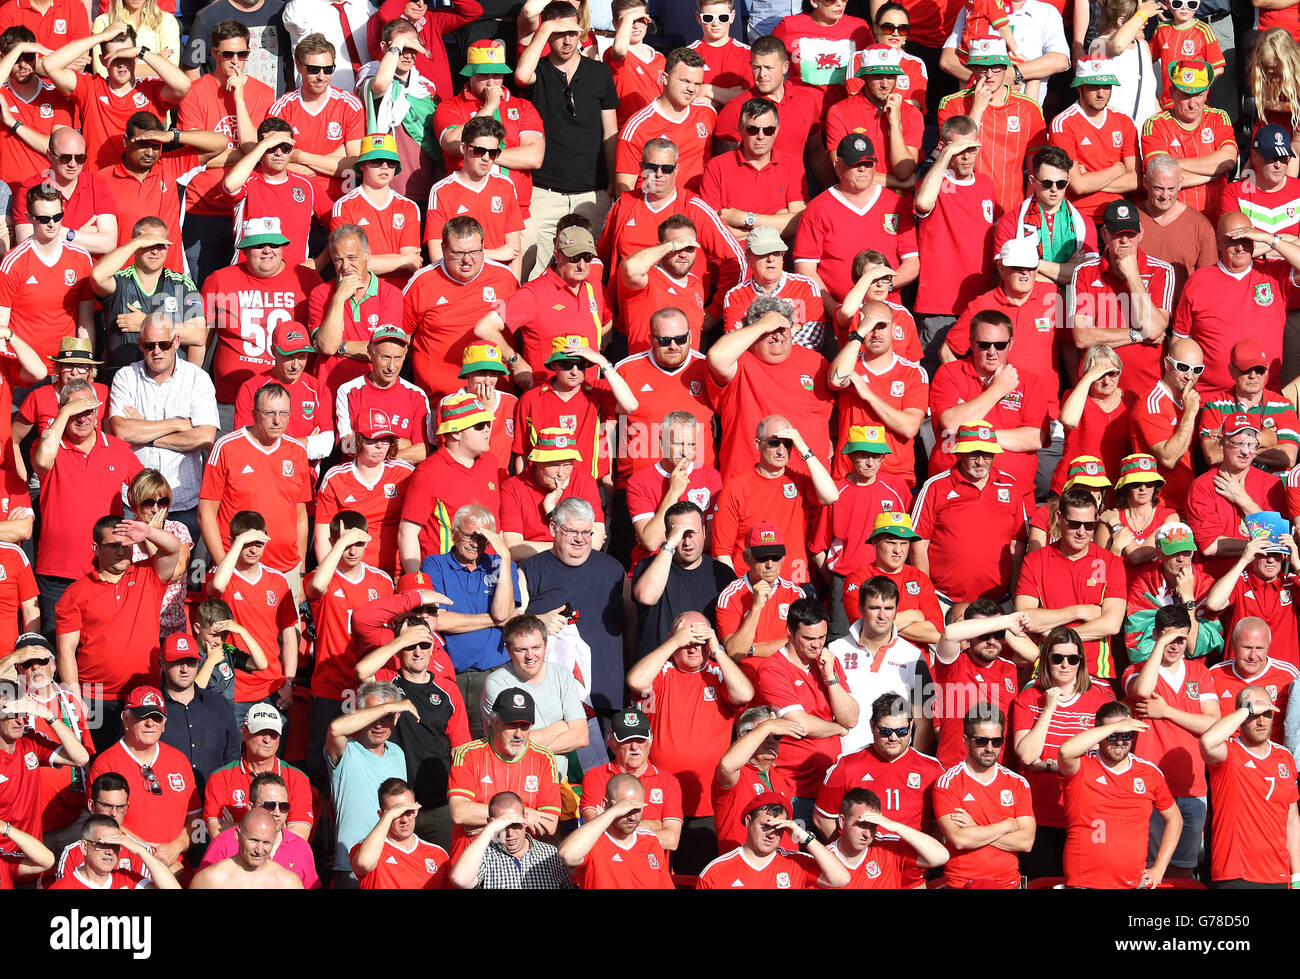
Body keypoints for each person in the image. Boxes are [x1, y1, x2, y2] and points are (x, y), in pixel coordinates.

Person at [625, 614, 751, 866]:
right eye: (688, 639)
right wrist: (674, 643)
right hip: (658, 801)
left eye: (700, 639)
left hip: (706, 802)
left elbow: (745, 693)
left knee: (696, 874)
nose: (694, 646)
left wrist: (716, 647)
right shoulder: (662, 671)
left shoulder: (718, 672)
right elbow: (636, 681)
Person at [55, 515, 180, 751]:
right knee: (95, 763)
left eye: (127, 545)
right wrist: (73, 695)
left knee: (141, 761)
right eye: (114, 545)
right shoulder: (75, 592)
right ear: (96, 547)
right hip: (94, 697)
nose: (122, 552)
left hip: (143, 694)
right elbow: (66, 649)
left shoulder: (148, 574)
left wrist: (147, 532)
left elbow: (174, 549)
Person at [514, 1, 619, 280]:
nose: (567, 40)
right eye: (560, 33)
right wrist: (547, 26)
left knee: (590, 274)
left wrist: (612, 183)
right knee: (534, 274)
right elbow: (522, 76)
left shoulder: (599, 72)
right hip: (544, 192)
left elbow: (610, 133)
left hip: (591, 192)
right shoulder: (539, 70)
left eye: (572, 32)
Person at [598, 137, 745, 318]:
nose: (659, 174)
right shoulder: (624, 206)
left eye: (667, 169)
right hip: (628, 324)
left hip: (680, 331)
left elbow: (736, 261)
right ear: (642, 168)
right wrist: (605, 316)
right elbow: (600, 262)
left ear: (676, 170)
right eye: (652, 167)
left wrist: (711, 315)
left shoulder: (694, 208)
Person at [1122, 604, 1219, 878]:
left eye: (1181, 638)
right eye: (1169, 638)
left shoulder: (1200, 673)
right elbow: (1142, 690)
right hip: (1148, 788)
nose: (1176, 645)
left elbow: (1213, 722)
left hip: (1191, 786)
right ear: (1155, 634)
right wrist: (1160, 643)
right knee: (1148, 869)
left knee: (1184, 871)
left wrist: (1166, 712)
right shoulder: (1135, 669)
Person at [177, 19, 277, 285]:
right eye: (228, 54)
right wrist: (250, 157)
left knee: (241, 295)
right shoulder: (195, 93)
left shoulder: (263, 94)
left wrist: (239, 99)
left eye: (242, 54)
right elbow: (196, 156)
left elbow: (262, 153)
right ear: (214, 53)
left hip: (247, 209)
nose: (236, 61)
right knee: (201, 294)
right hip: (202, 209)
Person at [1009, 627, 1115, 877]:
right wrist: (1048, 709)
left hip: (1084, 815)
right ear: (1046, 661)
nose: (1065, 665)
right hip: (1038, 814)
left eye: (1073, 658)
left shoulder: (1100, 702)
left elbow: (1100, 761)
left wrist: (1048, 765)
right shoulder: (1028, 698)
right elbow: (1026, 755)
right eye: (1057, 658)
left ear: (1081, 662)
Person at [519, 497, 626, 730]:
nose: (580, 539)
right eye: (572, 532)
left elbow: (632, 625)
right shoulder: (530, 569)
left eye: (587, 532)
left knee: (604, 764)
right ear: (553, 529)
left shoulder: (614, 569)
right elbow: (510, 626)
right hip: (551, 696)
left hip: (604, 692)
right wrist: (537, 622)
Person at [814, 693, 943, 887]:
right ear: (872, 726)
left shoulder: (932, 769)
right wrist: (853, 855)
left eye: (901, 731)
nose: (893, 737)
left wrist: (918, 859)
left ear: (911, 726)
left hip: (913, 879)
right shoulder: (847, 766)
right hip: (861, 879)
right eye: (885, 731)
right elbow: (822, 819)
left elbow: (938, 826)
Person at [107, 313, 218, 535]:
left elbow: (205, 437)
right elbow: (121, 431)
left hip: (183, 500)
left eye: (164, 344)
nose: (157, 351)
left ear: (176, 342)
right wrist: (178, 423)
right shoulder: (126, 376)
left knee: (182, 570)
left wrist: (145, 432)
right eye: (150, 345)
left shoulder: (197, 378)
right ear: (140, 344)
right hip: (136, 502)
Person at [943, 239, 1063, 440]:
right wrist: (974, 395)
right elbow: (948, 351)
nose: (1025, 272)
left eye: (1031, 267)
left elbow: (1068, 349)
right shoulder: (982, 304)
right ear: (1001, 267)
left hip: (1047, 414)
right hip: (998, 415)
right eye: (1017, 267)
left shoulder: (1053, 296)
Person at [200, 217, 319, 413]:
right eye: (258, 245)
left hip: (291, 399)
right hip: (232, 398)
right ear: (244, 250)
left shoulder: (307, 279)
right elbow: (201, 340)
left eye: (274, 244)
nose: (267, 250)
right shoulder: (219, 280)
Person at [754, 599, 857, 824]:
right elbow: (801, 725)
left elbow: (851, 717)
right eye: (809, 638)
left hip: (829, 786)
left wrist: (830, 677)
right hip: (792, 789)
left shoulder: (828, 662)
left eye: (822, 638)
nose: (817, 645)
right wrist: (837, 728)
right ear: (790, 632)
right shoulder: (772, 670)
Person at [1057, 700, 1181, 888]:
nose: (1120, 741)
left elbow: (1175, 820)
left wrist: (1159, 867)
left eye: (1127, 734)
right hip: (1084, 883)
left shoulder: (1149, 773)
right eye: (1113, 735)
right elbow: (1065, 751)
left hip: (1131, 883)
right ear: (1100, 733)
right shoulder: (1082, 766)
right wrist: (1116, 726)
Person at [707, 299, 834, 481]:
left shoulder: (816, 362)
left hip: (807, 485)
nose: (778, 336)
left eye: (783, 328)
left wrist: (831, 440)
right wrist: (762, 324)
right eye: (769, 331)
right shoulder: (739, 362)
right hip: (750, 485)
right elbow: (716, 356)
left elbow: (834, 407)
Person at [199, 383, 313, 585]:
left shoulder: (297, 452)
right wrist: (224, 564)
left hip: (287, 570)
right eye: (269, 413)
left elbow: (301, 517)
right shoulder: (227, 447)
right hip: (238, 568)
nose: (277, 421)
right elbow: (206, 513)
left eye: (284, 413)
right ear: (254, 414)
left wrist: (301, 571)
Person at [433, 39, 544, 245]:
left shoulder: (523, 106)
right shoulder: (450, 107)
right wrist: (489, 107)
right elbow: (451, 144)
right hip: (465, 211)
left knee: (518, 273)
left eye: (497, 76)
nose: (492, 83)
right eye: (484, 76)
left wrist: (484, 154)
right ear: (470, 75)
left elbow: (534, 157)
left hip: (516, 213)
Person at [1175, 214, 1300, 396]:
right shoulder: (1198, 282)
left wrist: (1268, 238)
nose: (1240, 247)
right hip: (1213, 400)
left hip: (1266, 397)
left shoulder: (1272, 274)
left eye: (1246, 239)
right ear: (1218, 243)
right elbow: (1180, 339)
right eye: (1232, 241)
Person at [42, 21, 189, 171]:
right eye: (115, 57)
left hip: (141, 185)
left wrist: (142, 51)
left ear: (135, 57)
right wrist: (100, 37)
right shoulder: (91, 87)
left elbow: (183, 85)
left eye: (127, 55)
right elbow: (49, 65)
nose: (121, 63)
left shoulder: (150, 90)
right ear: (102, 59)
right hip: (97, 185)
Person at [911, 115, 998, 367]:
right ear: (944, 147)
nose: (967, 156)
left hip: (980, 301)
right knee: (936, 378)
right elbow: (923, 203)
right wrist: (945, 155)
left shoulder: (986, 185)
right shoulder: (933, 184)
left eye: (972, 148)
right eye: (959, 150)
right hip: (941, 304)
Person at [792, 133, 918, 308]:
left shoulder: (896, 204)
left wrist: (883, 287)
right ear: (838, 165)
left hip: (888, 309)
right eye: (855, 164)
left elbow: (912, 262)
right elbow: (805, 270)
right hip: (836, 311)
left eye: (867, 163)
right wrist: (836, 312)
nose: (862, 169)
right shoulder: (817, 209)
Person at [711, 415, 838, 588]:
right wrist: (739, 591)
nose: (781, 450)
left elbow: (831, 496)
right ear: (758, 444)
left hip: (796, 585)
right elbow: (722, 553)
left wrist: (803, 447)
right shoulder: (735, 488)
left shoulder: (800, 480)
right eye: (774, 443)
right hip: (753, 588)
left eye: (787, 443)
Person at [474, 225, 613, 382]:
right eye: (574, 258)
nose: (582, 265)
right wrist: (516, 362)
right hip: (545, 396)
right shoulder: (533, 293)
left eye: (587, 257)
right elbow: (484, 327)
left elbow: (607, 322)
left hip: (589, 396)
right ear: (557, 255)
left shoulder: (594, 287)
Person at [95, 112, 228, 275]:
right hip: (121, 281)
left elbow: (220, 143)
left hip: (169, 281)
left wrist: (172, 135)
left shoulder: (172, 167)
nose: (150, 153)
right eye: (143, 144)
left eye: (156, 145)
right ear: (125, 141)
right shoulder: (101, 180)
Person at [1015, 486, 1128, 678]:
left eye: (1089, 525)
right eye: (1074, 524)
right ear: (1059, 519)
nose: (1082, 532)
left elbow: (1111, 624)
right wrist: (1079, 611)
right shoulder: (1035, 561)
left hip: (1094, 672)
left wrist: (1053, 635)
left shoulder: (1111, 563)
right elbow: (1025, 618)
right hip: (1046, 669)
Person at [403, 217, 521, 403]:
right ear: (443, 249)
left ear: (483, 246)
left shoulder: (505, 278)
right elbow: (404, 339)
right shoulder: (422, 282)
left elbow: (520, 334)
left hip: (496, 401)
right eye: (458, 253)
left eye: (474, 251)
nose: (467, 260)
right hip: (439, 402)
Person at [928, 310, 1048, 492]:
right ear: (971, 343)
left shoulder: (1029, 381)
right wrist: (998, 389)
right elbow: (951, 423)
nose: (992, 352)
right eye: (984, 345)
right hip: (953, 491)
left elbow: (1035, 438)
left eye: (1000, 345)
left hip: (1013, 494)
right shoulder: (950, 373)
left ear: (1011, 344)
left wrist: (974, 436)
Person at [911, 421, 1030, 604]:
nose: (981, 461)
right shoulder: (935, 486)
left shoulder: (1010, 486)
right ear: (959, 453)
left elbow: (1017, 544)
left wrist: (1013, 594)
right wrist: (926, 596)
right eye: (974, 454)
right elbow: (918, 544)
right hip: (943, 600)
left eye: (987, 455)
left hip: (999, 602)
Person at [85, 686, 201, 873]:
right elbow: (103, 825)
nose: (150, 723)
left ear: (164, 724)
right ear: (125, 719)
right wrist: (152, 858)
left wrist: (176, 848)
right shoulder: (105, 764)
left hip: (178, 870)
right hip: (127, 870)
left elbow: (199, 823)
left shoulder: (180, 760)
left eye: (156, 717)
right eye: (142, 716)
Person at [1069, 199, 1175, 400]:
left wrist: (1133, 275)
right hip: (1098, 392)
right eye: (1118, 234)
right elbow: (1082, 336)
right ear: (1105, 235)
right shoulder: (1084, 272)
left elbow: (1153, 328)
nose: (1125, 240)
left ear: (1141, 233)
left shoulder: (1162, 271)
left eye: (1130, 234)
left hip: (1147, 393)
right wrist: (1138, 335)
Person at [205, 511, 300, 730]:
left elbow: (289, 634)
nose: (253, 549)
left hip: (272, 687)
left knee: (270, 755)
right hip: (231, 687)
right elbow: (217, 587)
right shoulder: (220, 575)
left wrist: (288, 682)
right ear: (232, 541)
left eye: (259, 543)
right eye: (247, 543)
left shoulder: (277, 580)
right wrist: (238, 544)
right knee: (232, 759)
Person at [1201, 685, 1300, 888]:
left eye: (1267, 713)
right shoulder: (1228, 752)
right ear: (1239, 715)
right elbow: (1207, 742)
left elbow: (1291, 821)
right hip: (1236, 874)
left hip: (1278, 875)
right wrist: (1247, 709)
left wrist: (1297, 875)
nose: (1261, 721)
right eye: (1254, 714)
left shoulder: (1285, 757)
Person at [937, 38, 1049, 213]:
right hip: (962, 207)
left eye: (996, 67)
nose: (989, 74)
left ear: (1006, 68)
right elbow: (953, 155)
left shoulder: (1029, 108)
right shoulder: (951, 104)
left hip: (1009, 208)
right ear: (972, 69)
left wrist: (1028, 213)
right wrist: (977, 109)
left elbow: (1035, 171)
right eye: (982, 67)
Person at [510, 335, 639, 485]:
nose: (574, 371)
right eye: (566, 364)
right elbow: (522, 453)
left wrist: (603, 362)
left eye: (581, 364)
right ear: (554, 365)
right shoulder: (531, 399)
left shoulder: (598, 392)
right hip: (544, 485)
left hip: (589, 486)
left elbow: (631, 405)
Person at [826, 301, 927, 490]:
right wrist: (858, 334)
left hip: (895, 476)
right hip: (849, 474)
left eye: (882, 326)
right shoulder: (850, 364)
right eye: (870, 327)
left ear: (894, 329)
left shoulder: (913, 372)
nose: (876, 333)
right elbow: (835, 380)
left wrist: (869, 395)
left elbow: (909, 427)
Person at [932, 704, 1036, 889]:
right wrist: (1007, 825)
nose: (989, 748)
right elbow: (960, 840)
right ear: (965, 740)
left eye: (996, 742)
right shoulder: (947, 782)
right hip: (961, 885)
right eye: (981, 741)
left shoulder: (1018, 783)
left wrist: (976, 828)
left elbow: (1026, 842)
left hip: (1008, 885)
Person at [447, 688, 562, 853]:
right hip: (473, 855)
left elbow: (549, 824)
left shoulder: (544, 759)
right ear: (493, 722)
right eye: (511, 725)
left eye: (524, 726)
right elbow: (459, 812)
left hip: (522, 859)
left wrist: (485, 824)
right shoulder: (468, 753)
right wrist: (525, 815)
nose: (518, 733)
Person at [827, 575, 932, 754]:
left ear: (897, 610)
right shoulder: (835, 650)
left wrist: (915, 762)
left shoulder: (914, 657)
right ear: (860, 608)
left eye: (889, 608)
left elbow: (924, 721)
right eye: (875, 608)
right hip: (845, 758)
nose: (882, 615)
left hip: (895, 763)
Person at [266, 33, 365, 218]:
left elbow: (356, 167)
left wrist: (300, 156)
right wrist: (335, 158)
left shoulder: (349, 104)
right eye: (313, 69)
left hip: (340, 207)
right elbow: (274, 168)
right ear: (299, 66)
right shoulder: (281, 108)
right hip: (293, 206)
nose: (321, 76)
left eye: (328, 69)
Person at [0, 186, 93, 376]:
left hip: (65, 370)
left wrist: (86, 367)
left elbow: (85, 323)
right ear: (28, 217)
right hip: (22, 371)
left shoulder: (81, 258)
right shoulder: (13, 262)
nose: (51, 223)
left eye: (57, 217)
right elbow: (1, 328)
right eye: (43, 219)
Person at [480, 614, 587, 780]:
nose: (530, 656)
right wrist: (559, 727)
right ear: (508, 650)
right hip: (513, 781)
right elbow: (506, 742)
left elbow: (581, 736)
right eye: (521, 650)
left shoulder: (562, 675)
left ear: (546, 644)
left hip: (556, 783)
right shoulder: (496, 683)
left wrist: (528, 746)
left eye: (536, 647)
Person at [326, 680, 410, 888]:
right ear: (359, 713)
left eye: (387, 716)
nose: (379, 724)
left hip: (392, 862)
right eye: (373, 714)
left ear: (397, 718)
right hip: (352, 867)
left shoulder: (398, 753)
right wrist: (390, 707)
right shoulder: (346, 749)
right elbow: (335, 728)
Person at [92, 221, 205, 373]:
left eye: (161, 245)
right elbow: (97, 277)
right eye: (148, 245)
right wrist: (136, 243)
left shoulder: (182, 283)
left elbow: (198, 335)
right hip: (125, 379)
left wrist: (145, 324)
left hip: (171, 381)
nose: (155, 251)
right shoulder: (120, 281)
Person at [1184, 414, 1287, 578]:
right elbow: (1209, 545)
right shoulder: (1202, 486)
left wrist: (1244, 500)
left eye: (1251, 444)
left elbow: (1278, 541)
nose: (1246, 452)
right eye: (1238, 444)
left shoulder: (1272, 484)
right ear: (1221, 442)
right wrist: (1254, 546)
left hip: (1258, 583)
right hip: (1216, 581)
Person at [630, 502, 735, 656]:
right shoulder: (648, 567)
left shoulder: (722, 574)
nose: (687, 542)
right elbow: (647, 597)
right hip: (658, 671)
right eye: (679, 534)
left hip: (703, 673)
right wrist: (670, 545)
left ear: (704, 532)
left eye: (691, 533)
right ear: (668, 536)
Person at [355, 22, 443, 205]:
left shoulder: (427, 87)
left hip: (424, 181)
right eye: (402, 48)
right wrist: (399, 43)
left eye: (413, 48)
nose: (408, 54)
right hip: (385, 185)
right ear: (385, 47)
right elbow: (380, 85)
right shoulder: (369, 73)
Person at [425, 118, 524, 279]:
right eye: (479, 151)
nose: (486, 158)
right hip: (459, 281)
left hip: (499, 280)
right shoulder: (441, 191)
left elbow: (514, 252)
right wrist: (494, 254)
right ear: (463, 148)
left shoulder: (506, 186)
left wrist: (514, 287)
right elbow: (437, 255)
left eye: (493, 153)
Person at [699, 97, 807, 243]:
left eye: (768, 130)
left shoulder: (792, 165)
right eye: (752, 129)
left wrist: (744, 218)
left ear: (777, 130)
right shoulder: (716, 167)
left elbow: (797, 224)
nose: (761, 136)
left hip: (774, 261)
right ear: (740, 129)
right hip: (730, 262)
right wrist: (777, 221)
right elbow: (711, 231)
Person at [0, 676, 90, 846]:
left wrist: (49, 715)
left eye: (23, 712)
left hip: (33, 851)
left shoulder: (30, 740)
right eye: (12, 713)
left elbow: (81, 758)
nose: (20, 720)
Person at [1047, 58, 1139, 224]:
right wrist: (1118, 169)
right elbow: (1078, 186)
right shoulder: (1063, 123)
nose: (1101, 93)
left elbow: (1135, 180)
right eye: (1094, 86)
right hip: (1078, 216)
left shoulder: (1124, 120)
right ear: (1080, 87)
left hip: (1119, 215)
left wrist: (1088, 179)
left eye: (1106, 86)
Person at [1140, 59, 1236, 216]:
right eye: (1185, 95)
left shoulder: (1219, 117)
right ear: (1172, 92)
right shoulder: (1155, 124)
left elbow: (1228, 160)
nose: (1192, 104)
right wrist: (1214, 173)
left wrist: (1173, 167)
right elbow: (1159, 175)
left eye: (1198, 95)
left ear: (1206, 93)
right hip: (1173, 220)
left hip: (1216, 219)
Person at [203, 705, 313, 841]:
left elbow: (297, 839)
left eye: (274, 734)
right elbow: (217, 834)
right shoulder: (221, 777)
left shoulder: (297, 778)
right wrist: (280, 827)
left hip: (281, 863)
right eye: (261, 732)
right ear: (243, 732)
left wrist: (236, 826)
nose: (267, 740)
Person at [578, 708, 684, 849]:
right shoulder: (595, 777)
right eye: (627, 740)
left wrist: (611, 819)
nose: (634, 747)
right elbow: (596, 832)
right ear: (611, 743)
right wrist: (654, 825)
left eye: (640, 739)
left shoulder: (668, 782)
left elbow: (671, 840)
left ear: (650, 740)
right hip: (610, 866)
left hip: (652, 868)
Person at [696, 792, 851, 888]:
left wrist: (803, 835)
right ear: (748, 821)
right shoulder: (717, 870)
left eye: (779, 828)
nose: (771, 834)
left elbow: (841, 879)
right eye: (765, 826)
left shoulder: (797, 863)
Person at [614, 47, 714, 195]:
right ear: (665, 78)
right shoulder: (638, 127)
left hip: (695, 211)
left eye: (697, 84)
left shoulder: (707, 113)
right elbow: (624, 189)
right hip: (655, 210)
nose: (691, 89)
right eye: (684, 81)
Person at [233, 322, 334, 465]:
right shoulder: (251, 388)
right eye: (288, 357)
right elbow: (245, 444)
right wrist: (306, 443)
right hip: (264, 470)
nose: (296, 365)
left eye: (302, 356)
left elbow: (325, 445)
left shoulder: (319, 389)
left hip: (304, 476)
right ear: (273, 351)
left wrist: (270, 444)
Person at [219, 121, 316, 268]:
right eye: (272, 147)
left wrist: (318, 262)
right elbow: (229, 184)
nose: (278, 153)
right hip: (247, 277)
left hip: (294, 280)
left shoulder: (307, 185)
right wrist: (263, 145)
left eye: (285, 147)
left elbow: (341, 225)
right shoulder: (247, 181)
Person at [837, 511, 942, 645]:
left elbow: (936, 634)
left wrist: (882, 623)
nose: (898, 550)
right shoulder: (857, 579)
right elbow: (865, 627)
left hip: (916, 663)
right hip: (874, 661)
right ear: (875, 542)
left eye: (904, 543)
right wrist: (912, 615)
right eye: (891, 542)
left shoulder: (921, 578)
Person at [199, 770, 318, 888]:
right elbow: (204, 882)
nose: (277, 812)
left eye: (283, 806)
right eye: (269, 805)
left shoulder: (301, 847)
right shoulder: (223, 843)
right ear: (251, 806)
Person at [825, 44, 922, 189]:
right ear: (864, 76)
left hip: (899, 203)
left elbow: (904, 172)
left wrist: (895, 124)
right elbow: (843, 170)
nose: (885, 84)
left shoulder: (911, 113)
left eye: (890, 76)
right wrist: (897, 183)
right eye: (877, 76)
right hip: (858, 198)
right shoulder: (839, 112)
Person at [712, 35, 820, 163]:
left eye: (769, 68)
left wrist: (828, 183)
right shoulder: (735, 108)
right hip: (751, 182)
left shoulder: (807, 100)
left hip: (796, 182)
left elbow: (816, 154)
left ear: (785, 67)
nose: (762, 74)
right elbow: (726, 167)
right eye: (756, 67)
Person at [559, 772, 676, 888]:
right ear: (606, 805)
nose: (632, 817)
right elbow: (567, 855)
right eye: (625, 809)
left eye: (637, 809)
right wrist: (613, 812)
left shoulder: (651, 841)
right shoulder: (592, 840)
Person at [1199, 339, 1299, 473]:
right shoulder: (1215, 406)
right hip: (1228, 487)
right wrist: (1260, 438)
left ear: (1267, 369)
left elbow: (1288, 457)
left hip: (1273, 490)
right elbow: (1213, 455)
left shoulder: (1284, 406)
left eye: (1259, 370)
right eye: (1246, 370)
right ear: (1232, 370)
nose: (1253, 375)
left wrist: (1232, 442)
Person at [12, 128, 117, 255]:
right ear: (49, 155)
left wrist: (62, 233)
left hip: (89, 272)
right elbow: (28, 246)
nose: (73, 164)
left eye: (80, 158)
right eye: (65, 158)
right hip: (49, 272)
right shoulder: (29, 190)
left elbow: (108, 244)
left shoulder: (98, 186)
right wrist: (80, 234)